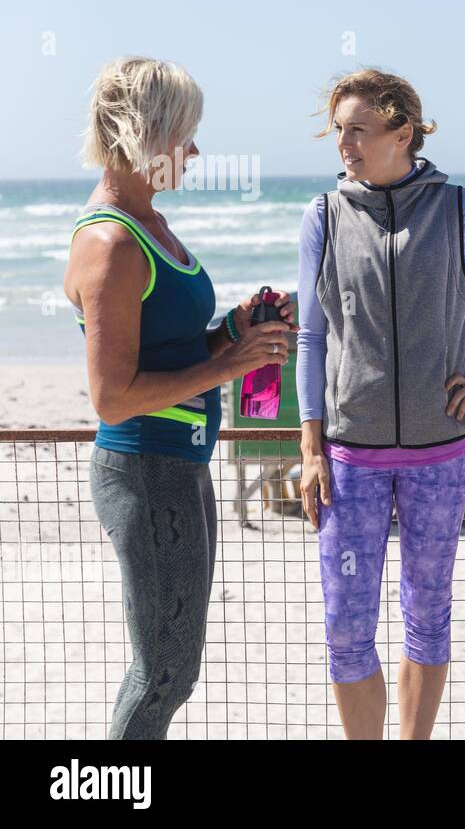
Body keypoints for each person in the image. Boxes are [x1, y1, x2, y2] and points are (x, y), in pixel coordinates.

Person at [296, 68, 465, 739]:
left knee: (427, 616)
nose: (344, 142)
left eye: (358, 129)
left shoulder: (464, 210)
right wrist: (310, 448)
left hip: (441, 455)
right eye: (338, 129)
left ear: (402, 132)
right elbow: (311, 337)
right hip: (350, 458)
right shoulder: (323, 215)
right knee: (347, 624)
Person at [64, 56, 296, 739]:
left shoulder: (153, 225)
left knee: (174, 669)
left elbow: (169, 347)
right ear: (147, 134)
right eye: (185, 135)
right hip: (145, 469)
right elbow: (112, 398)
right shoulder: (111, 243)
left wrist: (234, 331)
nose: (194, 152)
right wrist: (234, 366)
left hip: (183, 466)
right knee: (161, 672)